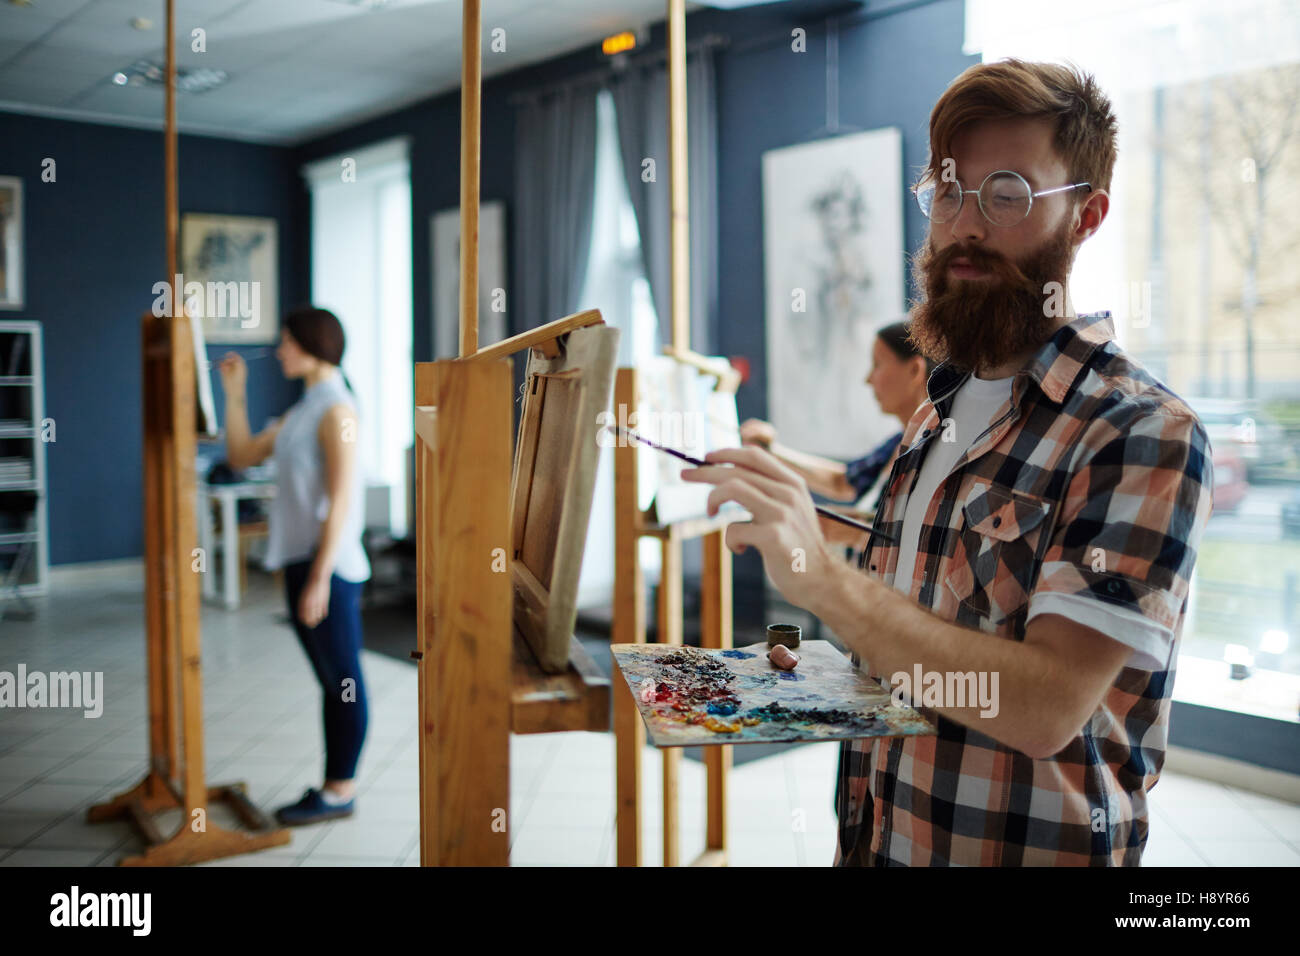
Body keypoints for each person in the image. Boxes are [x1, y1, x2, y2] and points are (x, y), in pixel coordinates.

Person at [681, 58, 1213, 866]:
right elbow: (915, 639)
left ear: (1087, 216)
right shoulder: (938, 407)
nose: (965, 224)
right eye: (949, 189)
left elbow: (1043, 705)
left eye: (1007, 194)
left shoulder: (1142, 431)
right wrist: (778, 684)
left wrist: (823, 579)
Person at [218, 306, 372, 826]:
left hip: (329, 567)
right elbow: (240, 455)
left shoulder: (338, 412)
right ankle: (334, 787)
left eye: (286, 341)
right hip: (301, 561)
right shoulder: (304, 410)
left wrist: (320, 576)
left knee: (344, 679)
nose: (280, 350)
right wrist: (235, 392)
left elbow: (343, 501)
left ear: (311, 345)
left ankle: (339, 791)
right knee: (332, 681)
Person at [738, 319, 933, 544]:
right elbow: (842, 481)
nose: (868, 379)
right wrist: (771, 450)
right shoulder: (897, 443)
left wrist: (847, 532)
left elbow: (913, 540)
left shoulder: (932, 452)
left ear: (914, 370)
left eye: (877, 365)